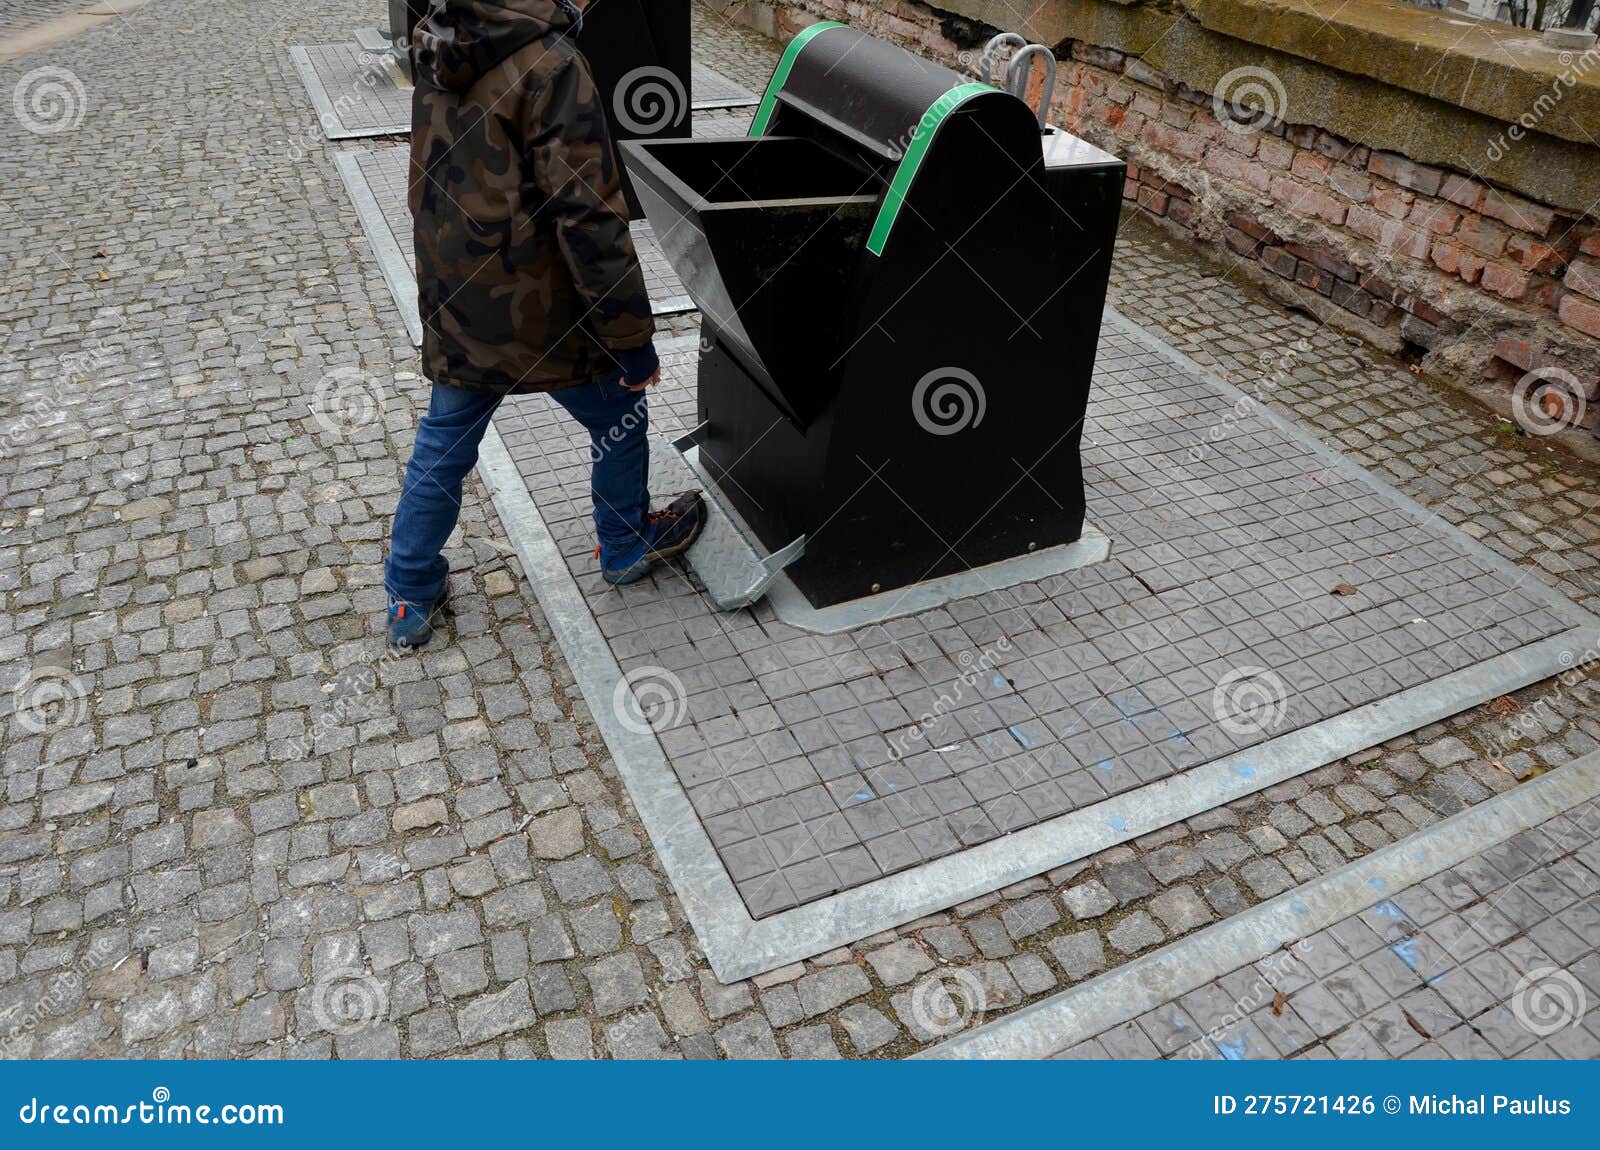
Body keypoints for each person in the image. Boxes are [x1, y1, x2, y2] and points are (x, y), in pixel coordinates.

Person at [384, 0, 703, 649]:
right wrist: (632, 339)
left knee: (444, 440)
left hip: (460, 289)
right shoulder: (554, 61)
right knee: (621, 409)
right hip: (540, 303)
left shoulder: (440, 37)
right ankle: (623, 543)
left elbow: (429, 175)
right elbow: (588, 216)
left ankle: (409, 592)